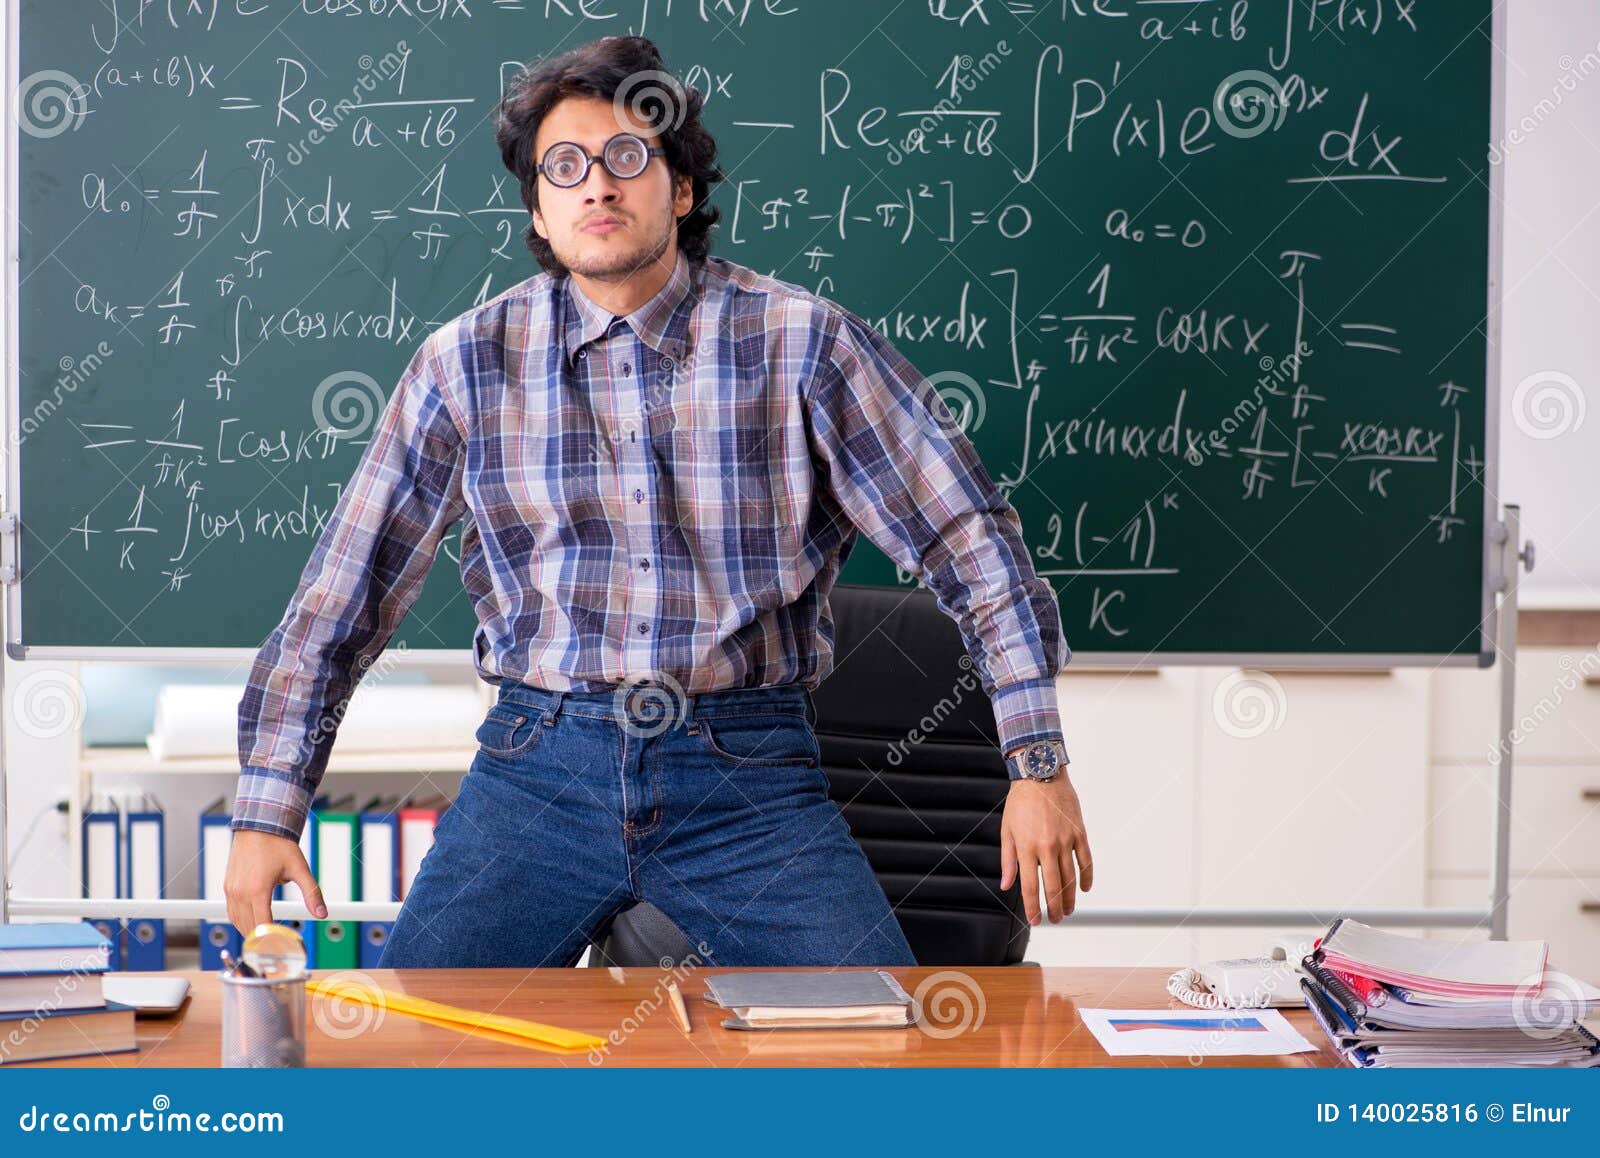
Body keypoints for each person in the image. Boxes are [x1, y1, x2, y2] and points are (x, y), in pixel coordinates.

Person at [224, 35, 1093, 967]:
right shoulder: (462, 364)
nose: (597, 184)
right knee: (414, 1053)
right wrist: (268, 806)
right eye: (566, 167)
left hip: (748, 779)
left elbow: (969, 539)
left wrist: (1035, 763)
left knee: (871, 1049)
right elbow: (343, 597)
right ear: (542, 212)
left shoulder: (804, 343)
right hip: (536, 775)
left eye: (626, 156)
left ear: (679, 189)